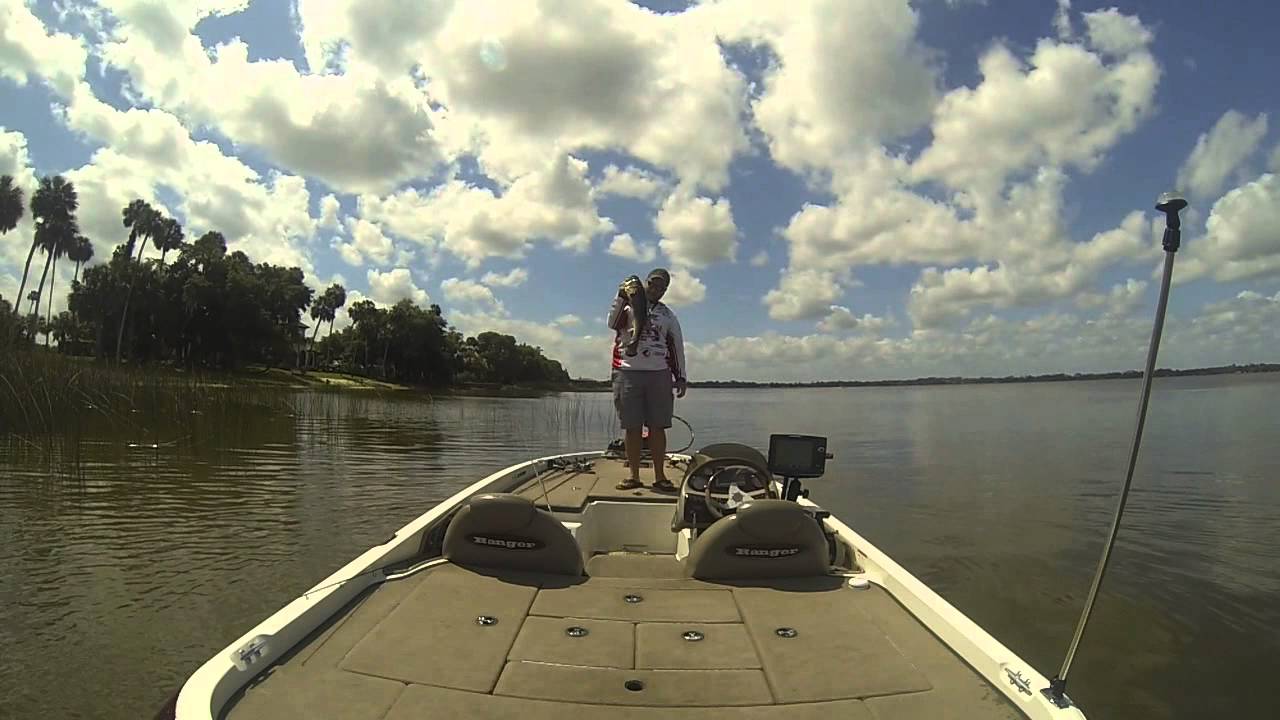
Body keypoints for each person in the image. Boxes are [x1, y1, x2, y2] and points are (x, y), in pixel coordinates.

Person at [607, 268, 687, 491]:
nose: (656, 289)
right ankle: (633, 476)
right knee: (632, 427)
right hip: (627, 371)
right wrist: (621, 296)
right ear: (645, 282)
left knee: (657, 427)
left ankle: (660, 477)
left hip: (659, 373)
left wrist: (681, 376)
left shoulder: (668, 315)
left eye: (662, 287)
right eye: (653, 283)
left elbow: (676, 346)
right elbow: (612, 323)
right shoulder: (627, 304)